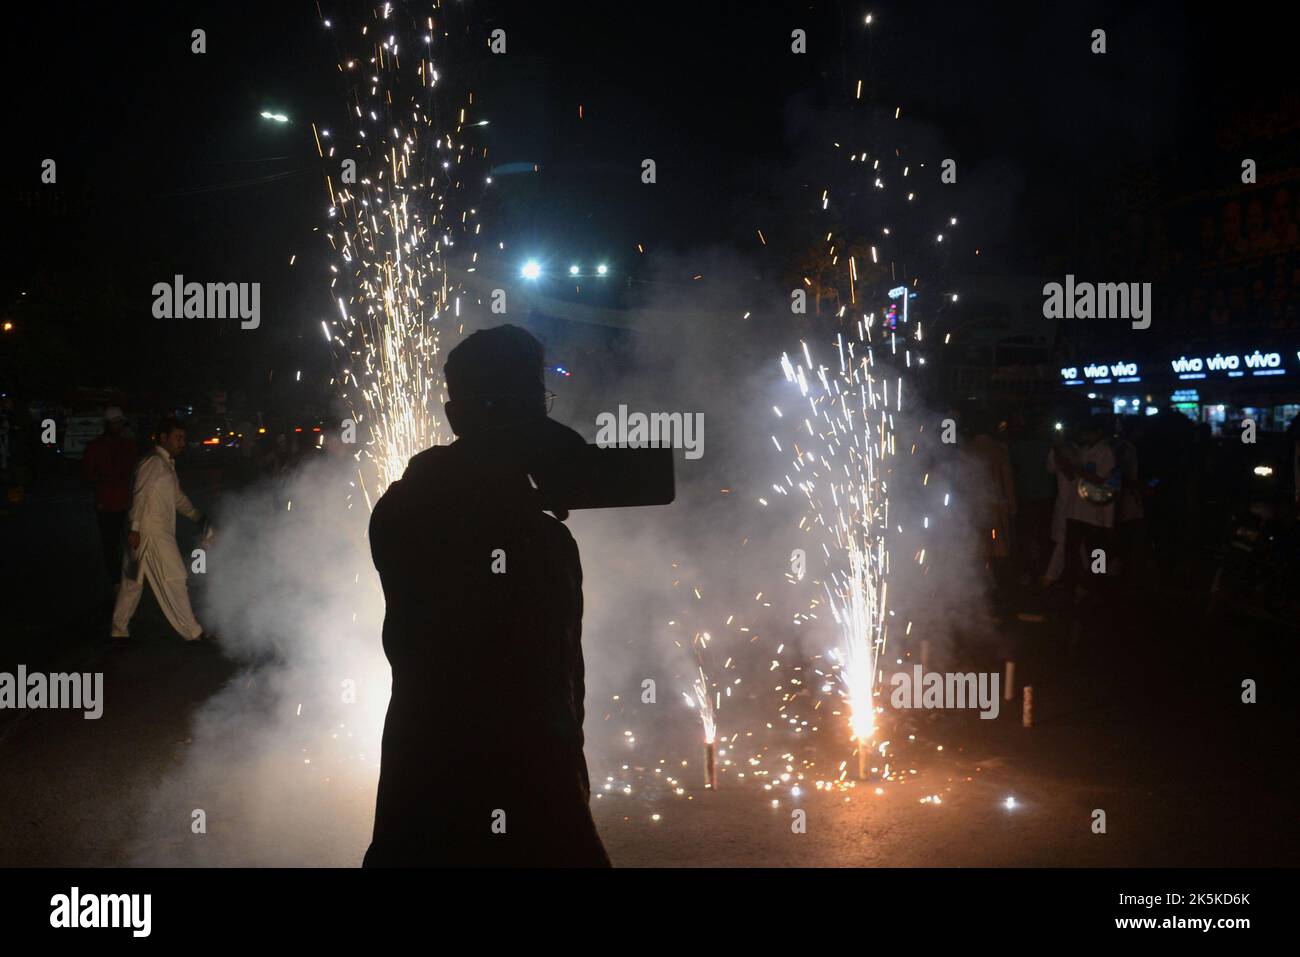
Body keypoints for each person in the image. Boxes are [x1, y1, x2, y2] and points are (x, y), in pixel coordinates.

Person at [364, 324, 609, 867]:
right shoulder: (534, 536)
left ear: (456, 416)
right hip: (529, 790)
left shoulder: (403, 507)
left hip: (422, 783)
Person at [110, 418, 212, 642]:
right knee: (175, 576)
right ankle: (193, 631)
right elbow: (140, 494)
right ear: (162, 438)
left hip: (148, 530)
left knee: (132, 582)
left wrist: (196, 515)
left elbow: (177, 497)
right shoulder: (154, 462)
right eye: (177, 437)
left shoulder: (165, 464)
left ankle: (118, 630)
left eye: (184, 438)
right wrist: (135, 528)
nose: (182, 442)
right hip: (151, 531)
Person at [83, 407, 138, 589]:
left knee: (129, 543)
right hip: (107, 504)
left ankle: (128, 576)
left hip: (124, 503)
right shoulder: (97, 447)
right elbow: (88, 475)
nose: (119, 425)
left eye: (120, 422)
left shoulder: (127, 445)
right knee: (111, 545)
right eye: (116, 422)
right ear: (108, 424)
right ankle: (116, 579)